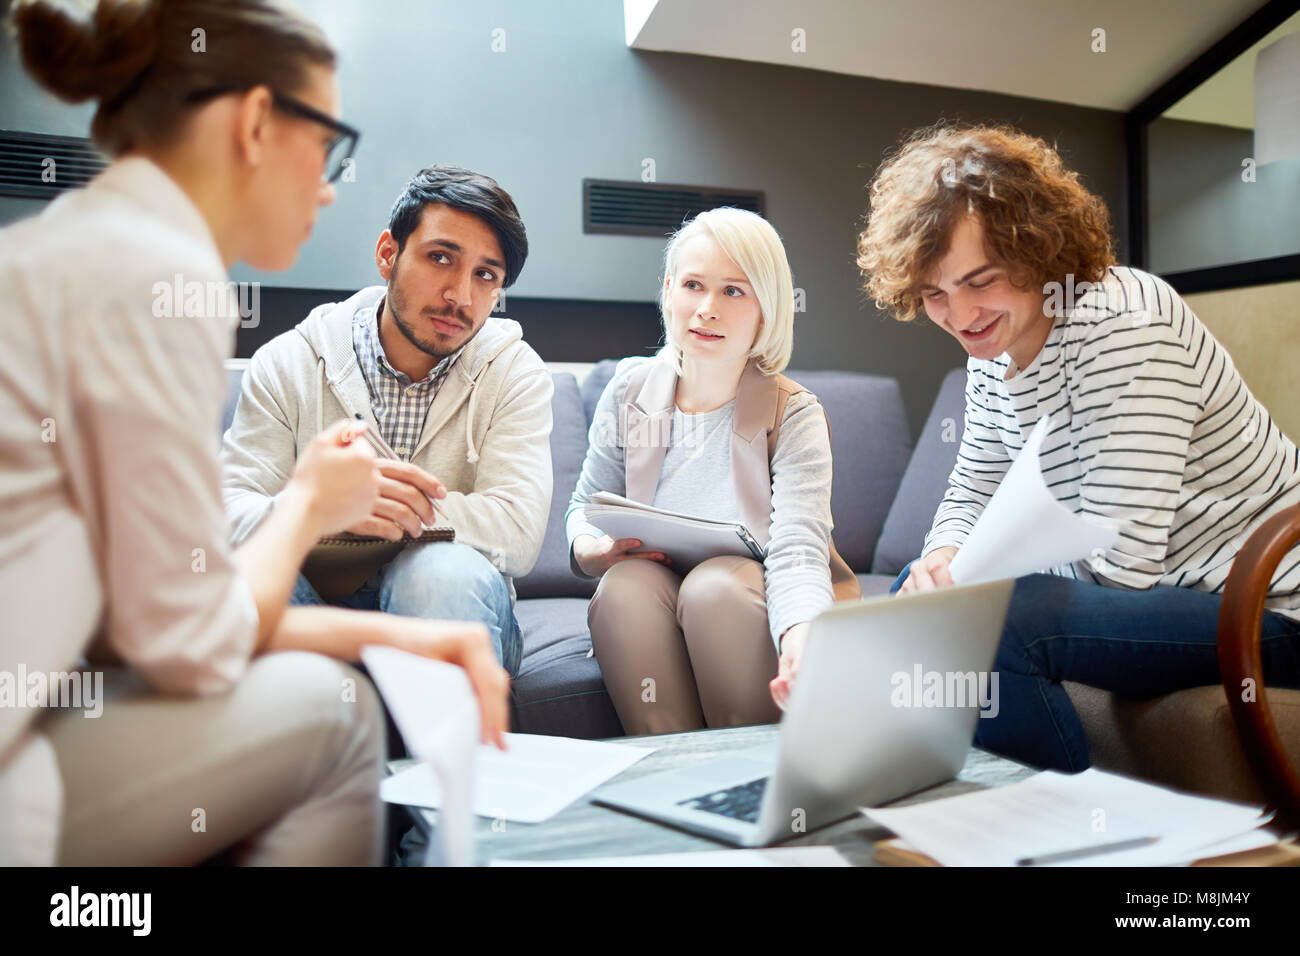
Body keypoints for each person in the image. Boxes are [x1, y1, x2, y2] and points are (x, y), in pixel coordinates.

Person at [0, 0, 506, 866]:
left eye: (486, 276)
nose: (330, 184)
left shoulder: (75, 246)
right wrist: (306, 505)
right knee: (338, 712)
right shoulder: (160, 274)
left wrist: (404, 632)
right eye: (331, 147)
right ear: (259, 122)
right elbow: (191, 646)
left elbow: (152, 616)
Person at [851, 123, 1300, 771]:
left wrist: (976, 587)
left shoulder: (1122, 326)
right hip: (1175, 596)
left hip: (1264, 609)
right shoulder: (992, 349)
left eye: (982, 280)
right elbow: (973, 486)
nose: (961, 315)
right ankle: (926, 803)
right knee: (911, 599)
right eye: (934, 294)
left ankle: (1059, 831)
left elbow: (1125, 569)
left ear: (1036, 250)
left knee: (997, 619)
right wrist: (942, 562)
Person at [220, 166, 552, 677]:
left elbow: (518, 533)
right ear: (388, 254)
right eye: (440, 258)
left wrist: (390, 510)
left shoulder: (515, 371)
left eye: (485, 275)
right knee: (247, 579)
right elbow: (228, 516)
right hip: (311, 612)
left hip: (456, 609)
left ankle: (453, 758)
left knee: (438, 573)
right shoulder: (285, 362)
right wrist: (320, 510)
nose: (460, 296)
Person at [566, 207, 859, 735]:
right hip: (654, 586)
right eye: (694, 285)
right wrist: (591, 549)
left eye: (733, 291)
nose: (706, 309)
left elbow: (797, 549)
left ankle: (750, 771)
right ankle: (668, 767)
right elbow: (586, 507)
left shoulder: (792, 412)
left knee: (712, 588)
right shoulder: (629, 390)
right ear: (669, 292)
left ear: (767, 311)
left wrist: (801, 635)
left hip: (748, 595)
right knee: (624, 585)